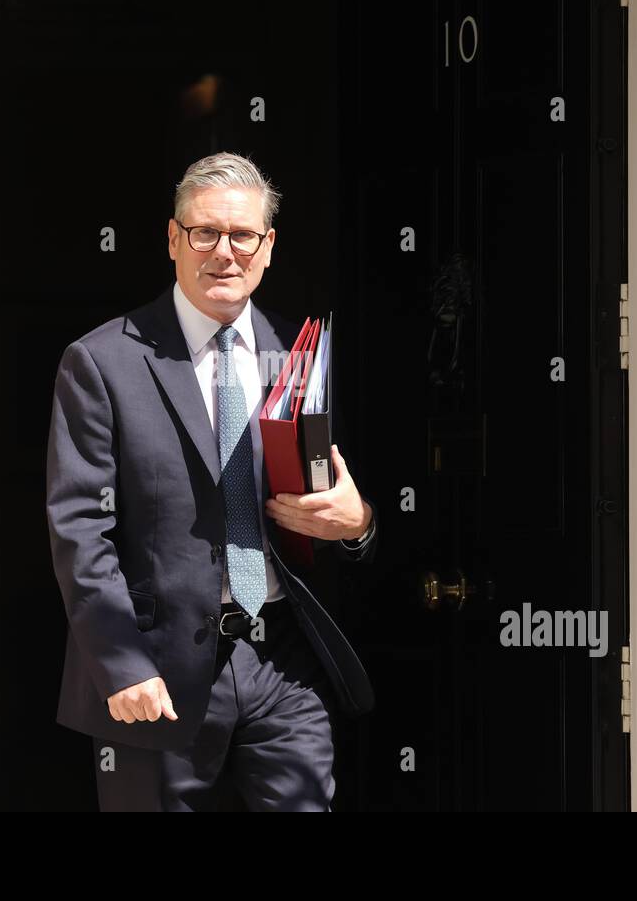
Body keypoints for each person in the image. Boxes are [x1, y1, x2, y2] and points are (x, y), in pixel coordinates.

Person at [46, 152, 378, 811]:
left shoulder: (301, 354)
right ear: (174, 240)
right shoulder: (103, 361)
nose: (224, 252)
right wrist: (121, 661)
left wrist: (359, 521)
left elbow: (340, 497)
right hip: (159, 668)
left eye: (242, 235)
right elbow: (80, 528)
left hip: (285, 658)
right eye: (205, 233)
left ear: (269, 246)